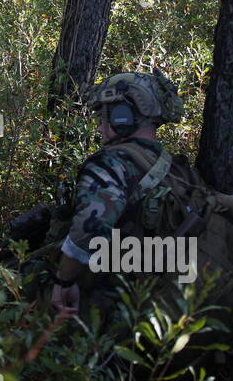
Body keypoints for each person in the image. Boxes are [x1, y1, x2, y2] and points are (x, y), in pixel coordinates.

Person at [45, 70, 188, 321]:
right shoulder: (175, 167)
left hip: (117, 303)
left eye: (104, 116)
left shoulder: (111, 163)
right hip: (163, 300)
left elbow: (92, 226)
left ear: (123, 116)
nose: (100, 127)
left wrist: (64, 281)